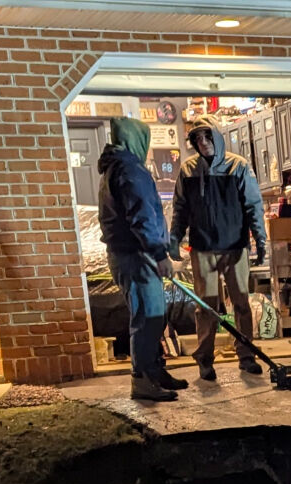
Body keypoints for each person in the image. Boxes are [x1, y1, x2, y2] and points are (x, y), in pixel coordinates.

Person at [171, 116, 267, 382]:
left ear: (217, 136)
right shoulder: (188, 169)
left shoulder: (238, 166)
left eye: (207, 136)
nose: (203, 143)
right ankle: (204, 359)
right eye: (197, 139)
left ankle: (246, 357)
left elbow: (253, 205)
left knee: (241, 303)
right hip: (202, 248)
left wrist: (260, 239)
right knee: (206, 306)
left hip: (235, 247)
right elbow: (180, 208)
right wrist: (174, 238)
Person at [97, 117, 183, 402]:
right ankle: (143, 380)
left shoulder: (117, 168)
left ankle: (155, 371)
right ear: (137, 140)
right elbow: (142, 216)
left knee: (154, 316)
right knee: (147, 317)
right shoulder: (130, 170)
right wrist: (160, 254)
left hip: (132, 254)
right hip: (137, 256)